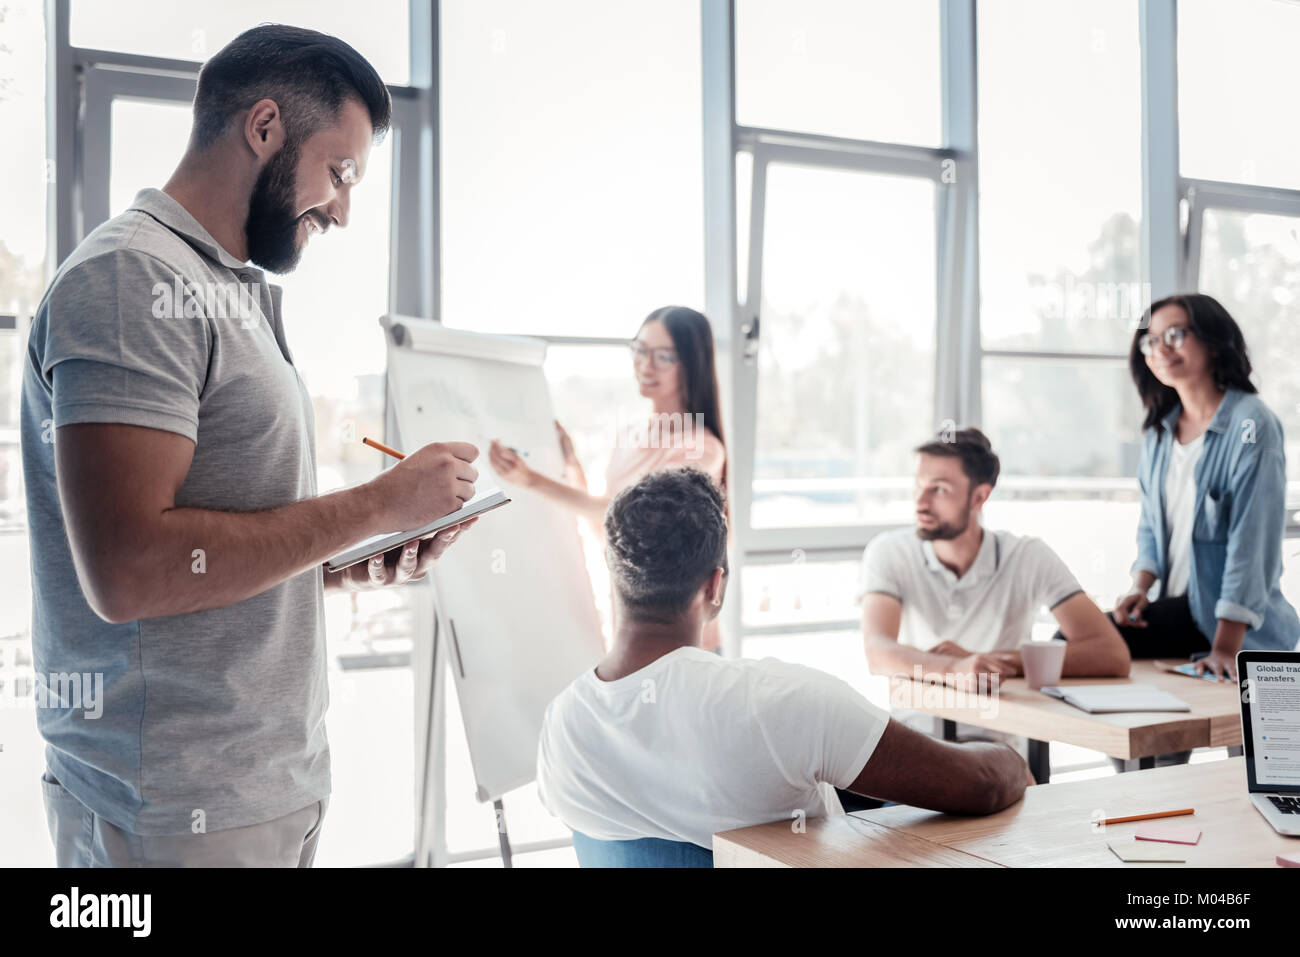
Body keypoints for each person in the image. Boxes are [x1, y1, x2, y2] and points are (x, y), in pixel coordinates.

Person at [20, 25, 480, 867]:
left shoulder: (227, 288)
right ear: (264, 127)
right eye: (339, 173)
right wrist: (380, 501)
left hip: (266, 788)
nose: (342, 208)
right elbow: (130, 569)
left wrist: (341, 558)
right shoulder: (133, 281)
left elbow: (216, 542)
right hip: (169, 806)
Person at [536, 468, 1031, 857]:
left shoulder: (562, 722)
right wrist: (1010, 759)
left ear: (614, 571)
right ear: (715, 584)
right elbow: (981, 787)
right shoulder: (780, 700)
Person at [490, 305, 728, 650]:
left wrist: (531, 481)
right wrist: (572, 465)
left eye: (663, 357)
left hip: (685, 645)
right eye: (640, 350)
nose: (645, 366)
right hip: (629, 633)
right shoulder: (629, 438)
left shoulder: (702, 449)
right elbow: (606, 526)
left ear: (691, 364)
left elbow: (640, 523)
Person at [1112, 293, 1300, 681]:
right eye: (1151, 340)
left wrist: (1225, 649)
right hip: (1174, 607)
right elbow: (1150, 525)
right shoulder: (1159, 434)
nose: (1160, 348)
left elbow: (1253, 542)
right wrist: (1140, 588)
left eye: (1175, 334)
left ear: (1214, 340)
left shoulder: (1252, 424)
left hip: (1221, 621)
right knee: (1080, 639)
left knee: (1077, 639)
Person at [860, 428, 1131, 687]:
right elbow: (877, 652)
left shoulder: (1028, 557)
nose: (920, 502)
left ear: (979, 498)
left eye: (939, 489)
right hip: (913, 729)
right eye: (918, 487)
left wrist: (994, 663)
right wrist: (955, 669)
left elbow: (1111, 654)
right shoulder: (889, 552)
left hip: (1001, 730)